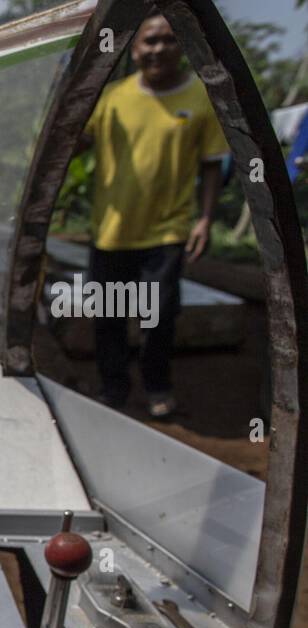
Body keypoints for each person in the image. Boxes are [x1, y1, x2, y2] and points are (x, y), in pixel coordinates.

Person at [77, 11, 229, 418]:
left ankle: (157, 385)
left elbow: (213, 163)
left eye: (168, 40)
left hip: (166, 231)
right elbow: (75, 143)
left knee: (158, 317)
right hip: (110, 230)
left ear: (181, 46)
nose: (158, 49)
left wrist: (204, 218)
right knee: (109, 317)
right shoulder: (112, 98)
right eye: (149, 41)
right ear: (136, 47)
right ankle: (113, 388)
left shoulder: (200, 98)